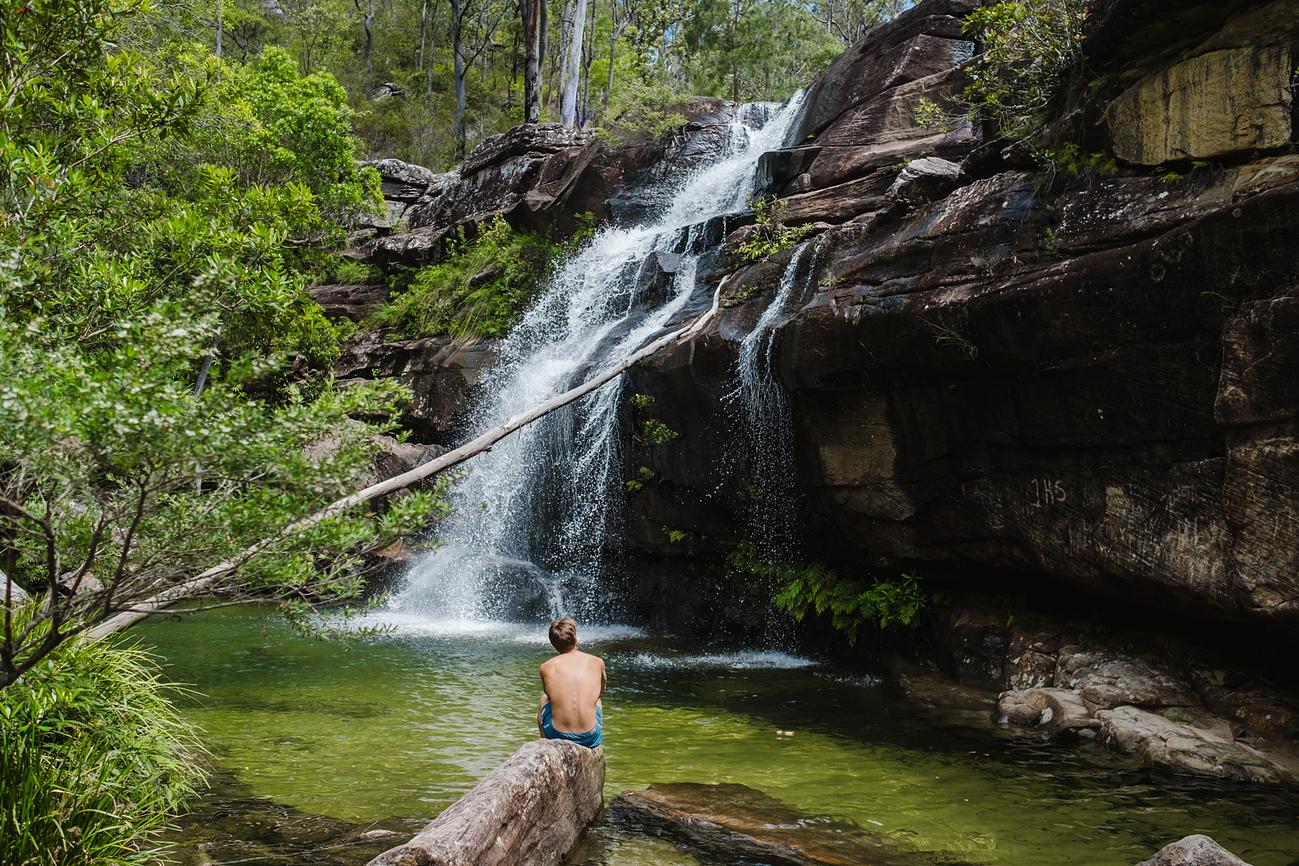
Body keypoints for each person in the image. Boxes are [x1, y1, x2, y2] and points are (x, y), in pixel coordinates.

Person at [537, 616, 605, 748]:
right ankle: (594, 748)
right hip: (590, 737)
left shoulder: (546, 667)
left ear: (553, 644)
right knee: (597, 700)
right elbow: (601, 690)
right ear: (575, 638)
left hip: (557, 734)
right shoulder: (597, 662)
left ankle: (546, 745)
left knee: (544, 699)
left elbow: (550, 695)